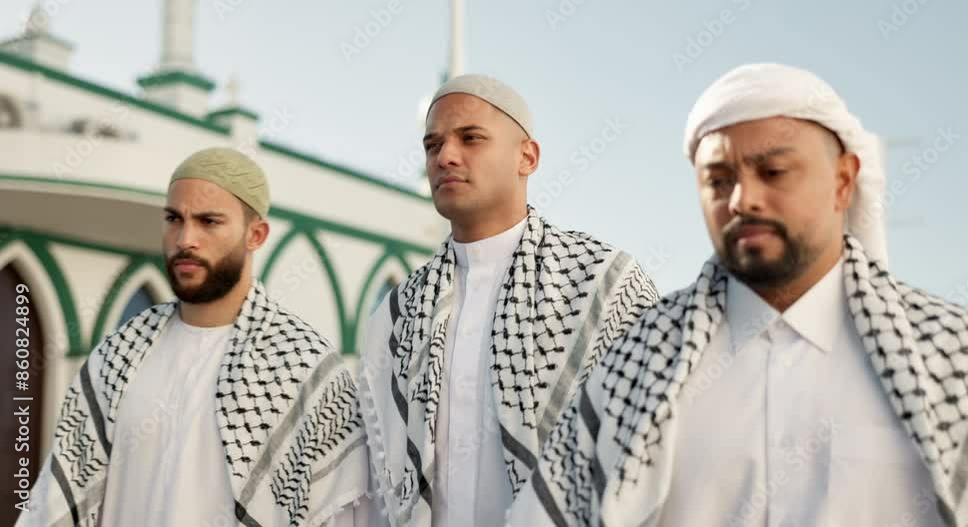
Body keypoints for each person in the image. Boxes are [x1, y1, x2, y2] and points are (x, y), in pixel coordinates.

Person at [509, 63, 968, 526]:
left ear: (844, 181)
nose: (743, 199)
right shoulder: (636, 361)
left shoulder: (962, 359)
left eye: (774, 172)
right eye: (719, 181)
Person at [358, 74, 659, 526]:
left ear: (527, 156)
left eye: (471, 138)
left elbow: (657, 452)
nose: (446, 157)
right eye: (432, 145)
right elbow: (375, 480)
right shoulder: (398, 313)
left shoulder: (603, 284)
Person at [18, 147, 370, 526]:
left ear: (256, 235)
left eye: (208, 221)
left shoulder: (305, 370)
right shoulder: (117, 354)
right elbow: (54, 503)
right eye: (174, 219)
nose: (185, 239)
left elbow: (342, 514)